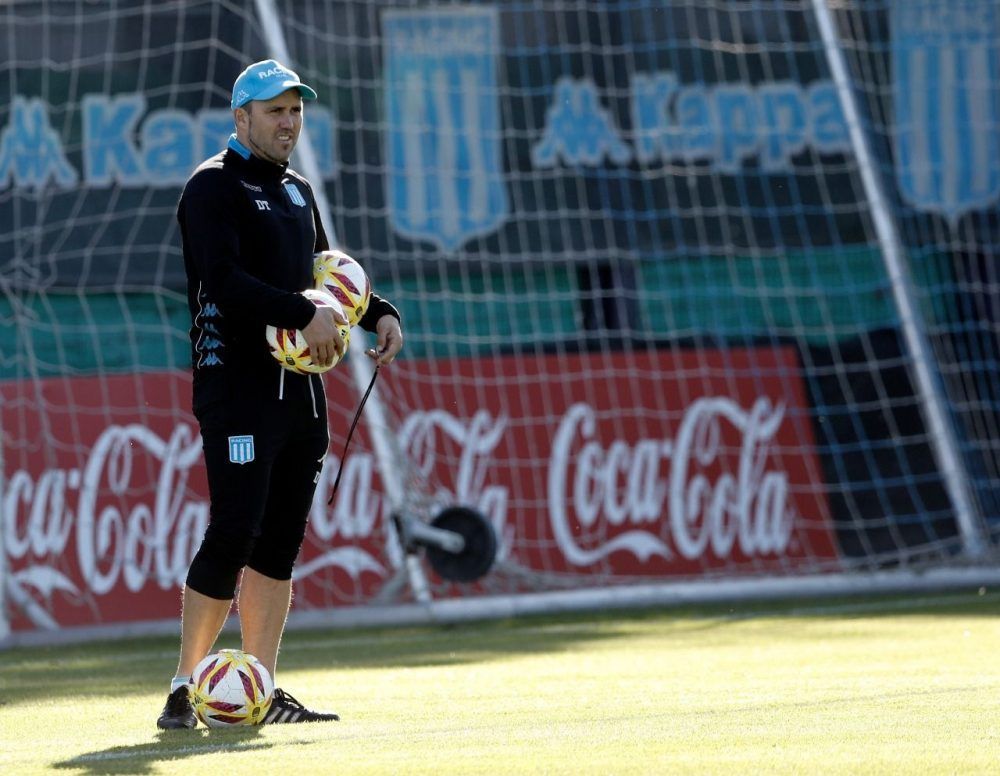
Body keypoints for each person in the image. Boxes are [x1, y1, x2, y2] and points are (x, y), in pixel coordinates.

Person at [157, 59, 403, 729]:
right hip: (236, 387)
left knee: (279, 541)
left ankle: (260, 689)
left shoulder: (297, 190)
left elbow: (325, 276)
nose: (288, 121)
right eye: (274, 111)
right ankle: (182, 686)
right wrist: (302, 313)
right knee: (234, 529)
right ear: (242, 118)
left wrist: (377, 312)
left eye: (295, 110)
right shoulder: (212, 186)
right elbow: (223, 280)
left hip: (302, 392)